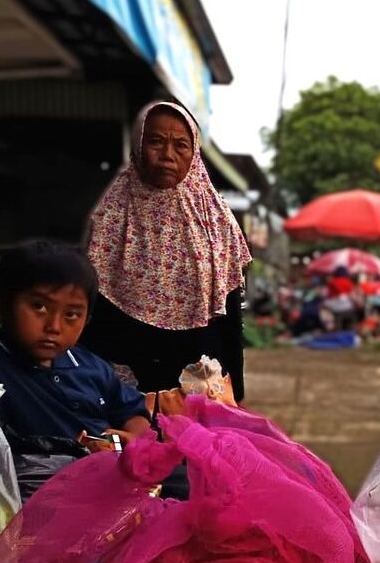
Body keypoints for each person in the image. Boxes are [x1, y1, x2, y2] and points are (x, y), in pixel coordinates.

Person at [81, 101, 252, 400]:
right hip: (126, 370)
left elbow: (230, 311)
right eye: (156, 142)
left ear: (194, 153)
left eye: (181, 145)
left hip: (199, 367)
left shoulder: (216, 218)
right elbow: (92, 306)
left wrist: (235, 387)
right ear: (138, 145)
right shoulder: (111, 214)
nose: (168, 155)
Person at [0, 241, 150, 460]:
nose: (54, 327)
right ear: (0, 305)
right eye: (39, 306)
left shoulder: (91, 366)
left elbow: (133, 412)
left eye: (71, 314)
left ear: (87, 319)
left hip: (115, 468)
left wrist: (132, 439)